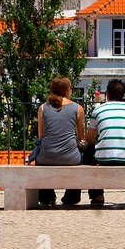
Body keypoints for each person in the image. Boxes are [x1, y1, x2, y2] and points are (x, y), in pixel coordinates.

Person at [84, 79, 125, 207]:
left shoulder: (98, 110)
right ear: (123, 95)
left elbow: (89, 139)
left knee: (88, 151)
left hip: (103, 159)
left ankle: (97, 195)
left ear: (107, 95)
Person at [34, 76, 84, 207]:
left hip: (46, 157)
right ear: (68, 90)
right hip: (70, 158)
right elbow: (81, 137)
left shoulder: (43, 108)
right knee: (83, 155)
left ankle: (47, 197)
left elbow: (41, 136)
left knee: (41, 156)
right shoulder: (78, 108)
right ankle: (72, 196)